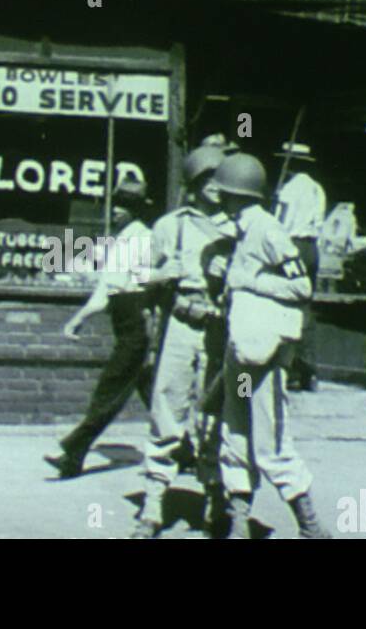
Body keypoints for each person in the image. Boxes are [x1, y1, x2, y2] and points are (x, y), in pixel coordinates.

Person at [213, 152, 331, 539]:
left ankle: (310, 526)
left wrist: (249, 281)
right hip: (241, 350)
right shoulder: (240, 229)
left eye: (226, 194)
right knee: (236, 429)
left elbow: (302, 287)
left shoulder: (269, 230)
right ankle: (239, 520)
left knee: (271, 440)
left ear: (236, 194)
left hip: (264, 352)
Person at [131, 145, 233, 539]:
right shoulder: (170, 225)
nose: (214, 187)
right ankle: (153, 505)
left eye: (219, 178)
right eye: (206, 179)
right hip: (179, 323)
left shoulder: (239, 228)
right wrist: (161, 274)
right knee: (167, 409)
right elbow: (136, 274)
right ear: (193, 184)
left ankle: (214, 500)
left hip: (218, 325)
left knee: (213, 414)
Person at [44, 176, 157, 479]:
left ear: (137, 209)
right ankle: (186, 451)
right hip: (125, 321)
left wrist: (151, 329)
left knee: (110, 388)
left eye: (126, 206)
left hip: (137, 322)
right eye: (116, 204)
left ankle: (73, 450)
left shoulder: (143, 238)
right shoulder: (121, 239)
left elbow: (137, 286)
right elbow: (105, 290)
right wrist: (78, 319)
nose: (117, 210)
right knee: (151, 391)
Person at [273, 141, 326, 391]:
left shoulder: (288, 190)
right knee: (305, 303)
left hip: (292, 247)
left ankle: (291, 366)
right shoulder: (317, 189)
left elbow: (278, 225)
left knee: (285, 302)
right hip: (312, 249)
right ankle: (307, 369)